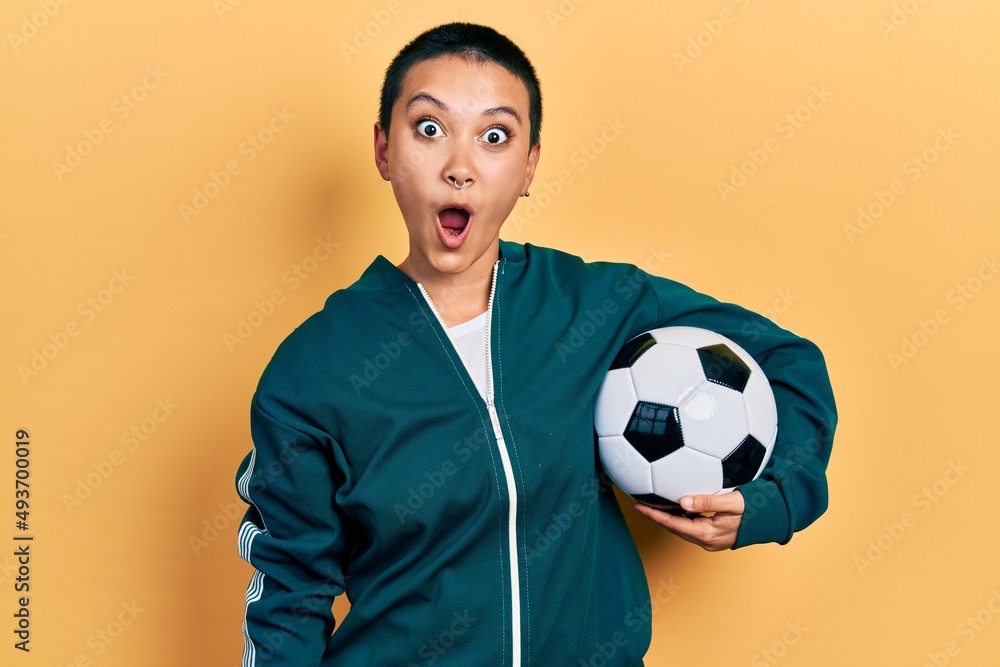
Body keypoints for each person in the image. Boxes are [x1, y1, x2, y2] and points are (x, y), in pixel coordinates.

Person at [235, 22, 836, 666]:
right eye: (429, 128)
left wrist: (770, 503)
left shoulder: (598, 306)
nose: (460, 168)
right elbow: (291, 594)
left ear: (529, 166)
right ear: (384, 149)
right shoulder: (312, 370)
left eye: (495, 137)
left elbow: (787, 360)